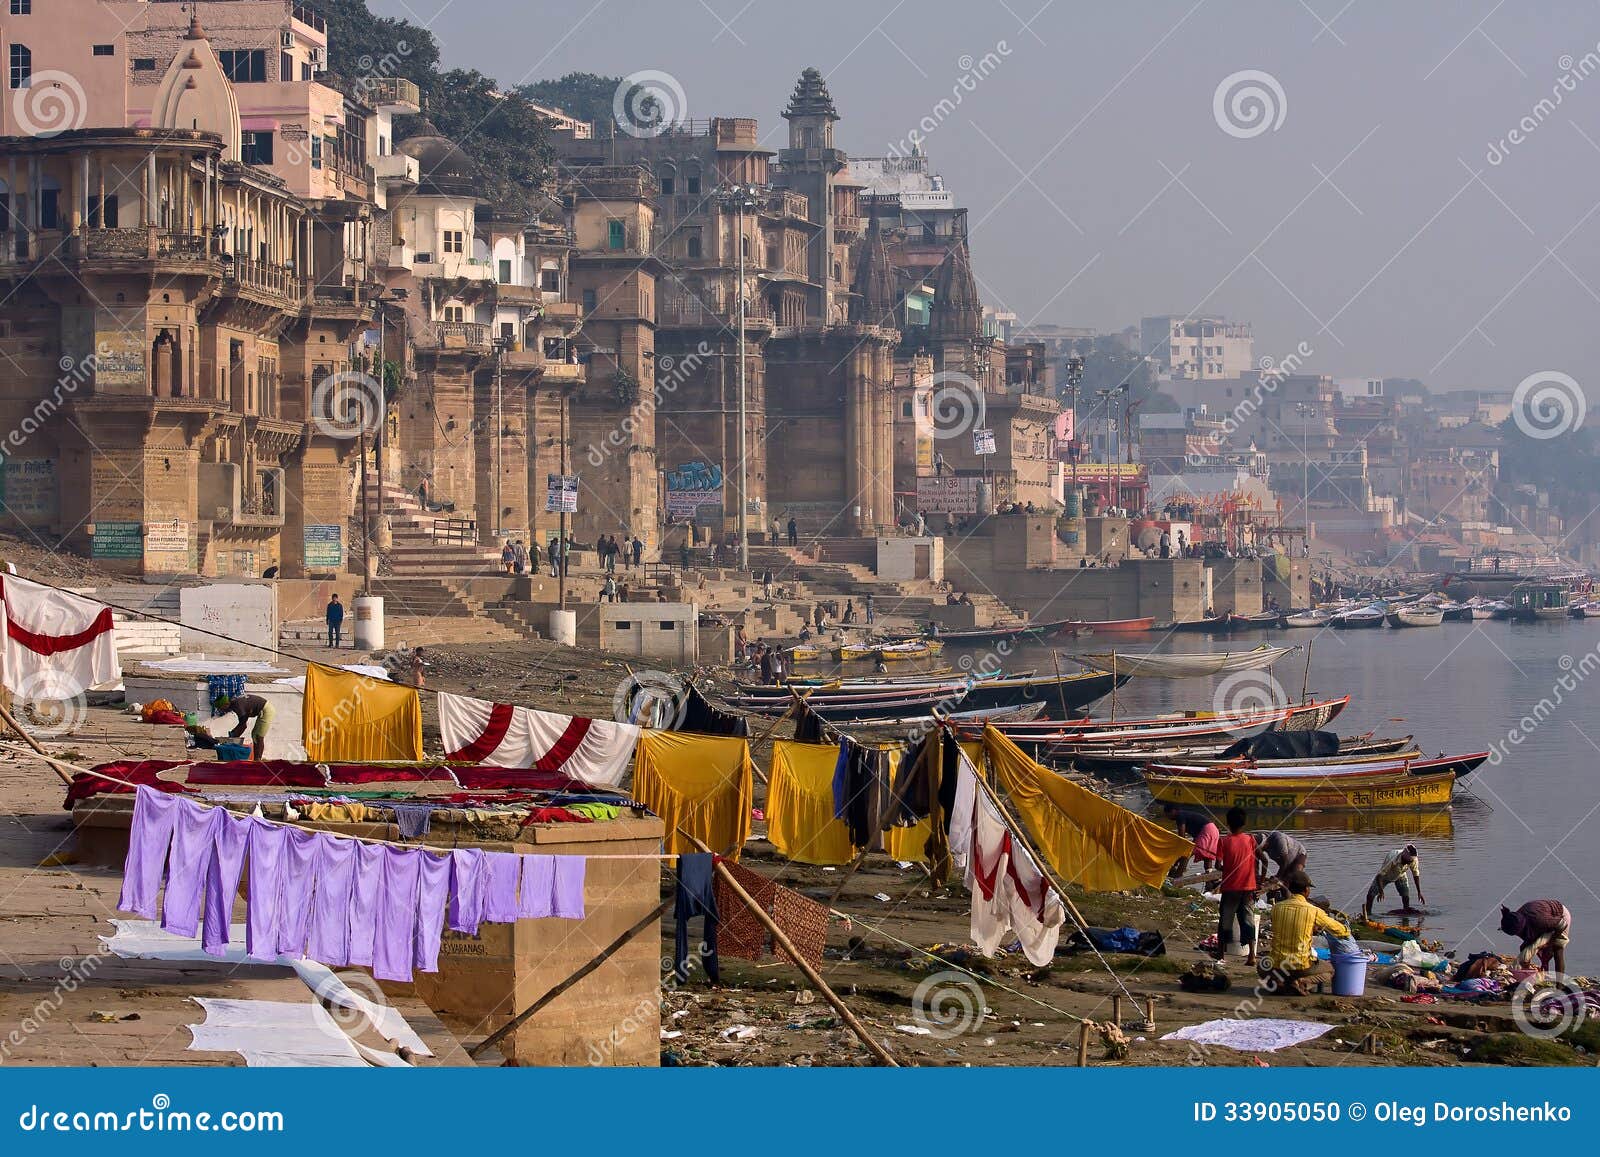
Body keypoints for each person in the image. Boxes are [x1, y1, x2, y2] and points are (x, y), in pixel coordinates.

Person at [1260, 869, 1350, 995]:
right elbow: (1339, 930)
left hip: (1277, 964)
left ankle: (1279, 983)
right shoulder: (1313, 910)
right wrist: (1346, 930)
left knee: (1261, 966)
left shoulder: (1276, 908)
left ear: (1290, 888)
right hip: (1301, 965)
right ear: (1306, 890)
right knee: (1330, 970)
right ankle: (1302, 983)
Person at [1214, 807, 1259, 966]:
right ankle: (1251, 955)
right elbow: (1258, 859)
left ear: (1228, 823)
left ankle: (1221, 954)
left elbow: (1218, 865)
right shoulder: (1250, 839)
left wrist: (1226, 868)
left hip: (1230, 888)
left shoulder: (1223, 841)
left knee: (1226, 920)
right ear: (1244, 823)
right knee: (1248, 920)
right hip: (1248, 888)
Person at [1500, 899, 1571, 973]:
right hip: (1542, 920)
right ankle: (1528, 971)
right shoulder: (1515, 920)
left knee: (1557, 949)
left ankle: (1559, 980)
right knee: (1525, 948)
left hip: (1560, 917)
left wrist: (1550, 943)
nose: (1519, 935)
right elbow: (1529, 942)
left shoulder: (1540, 920)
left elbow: (1562, 924)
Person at [1363, 844, 1424, 920]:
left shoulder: (1413, 859)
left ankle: (1405, 917)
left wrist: (1419, 892)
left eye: (1411, 861)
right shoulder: (1392, 856)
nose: (1409, 863)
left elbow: (1415, 874)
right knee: (1370, 895)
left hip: (1400, 875)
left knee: (1405, 896)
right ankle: (1368, 916)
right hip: (1385, 876)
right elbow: (1380, 875)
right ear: (1404, 855)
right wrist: (1381, 891)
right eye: (1408, 861)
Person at [1162, 803, 1218, 877]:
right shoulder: (1184, 814)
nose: (1167, 817)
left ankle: (1178, 876)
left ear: (1173, 811)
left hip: (1206, 830)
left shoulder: (1179, 816)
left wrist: (1177, 853)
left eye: (1167, 815)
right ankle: (1209, 877)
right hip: (1213, 829)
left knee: (1187, 852)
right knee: (1207, 856)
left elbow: (1182, 837)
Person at [214, 692, 274, 761]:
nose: (221, 710)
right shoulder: (234, 703)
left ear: (225, 704)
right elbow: (242, 723)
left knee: (258, 736)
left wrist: (232, 738)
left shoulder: (237, 705)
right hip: (264, 708)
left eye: (221, 708)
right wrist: (233, 734)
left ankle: (258, 760)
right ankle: (256, 760)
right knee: (254, 735)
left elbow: (243, 725)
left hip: (266, 710)